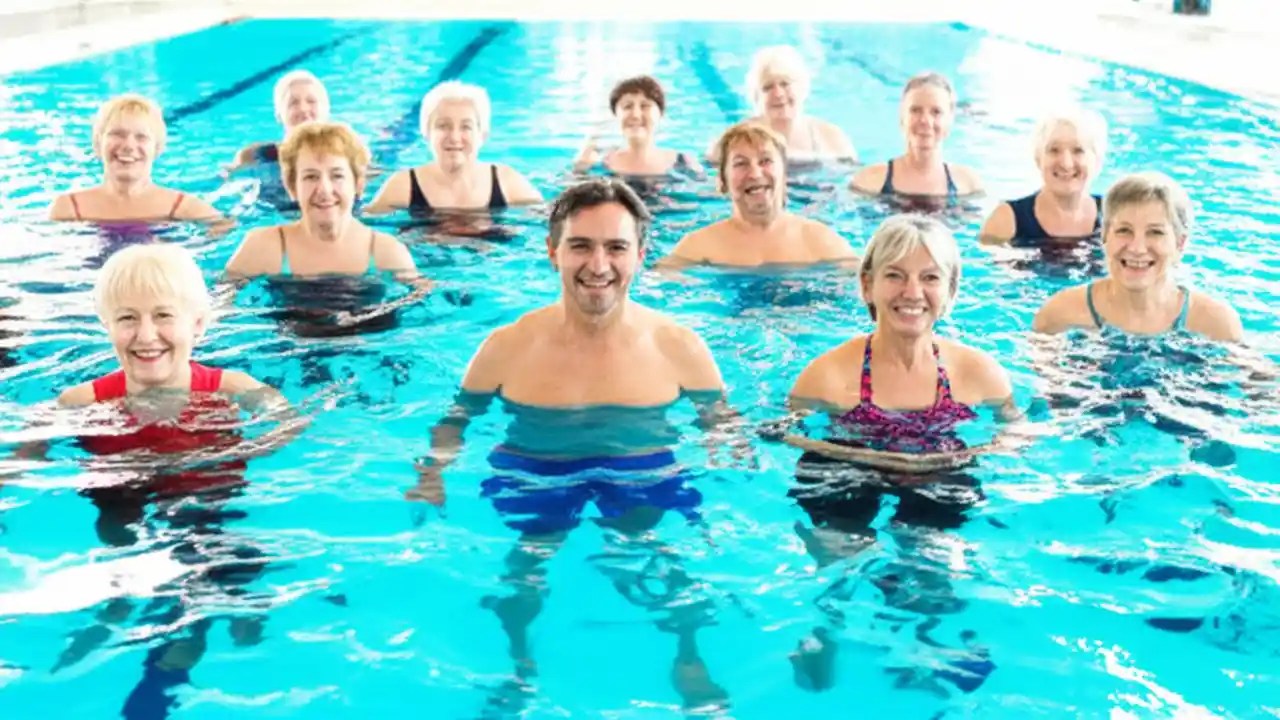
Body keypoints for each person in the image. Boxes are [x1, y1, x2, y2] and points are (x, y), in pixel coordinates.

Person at [407, 177, 742, 713]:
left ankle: (689, 653)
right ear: (552, 251)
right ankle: (519, 667)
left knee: (657, 557)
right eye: (581, 245)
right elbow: (457, 419)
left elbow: (720, 420)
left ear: (640, 254)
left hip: (641, 467)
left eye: (616, 247)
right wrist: (432, 473)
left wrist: (728, 448)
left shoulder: (680, 347)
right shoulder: (506, 347)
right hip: (536, 464)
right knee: (527, 563)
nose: (599, 265)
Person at [777, 214, 1014, 694]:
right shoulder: (825, 379)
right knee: (840, 554)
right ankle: (827, 628)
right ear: (867, 285)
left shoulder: (979, 375)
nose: (912, 291)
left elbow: (1017, 429)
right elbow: (784, 433)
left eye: (929, 277)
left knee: (937, 564)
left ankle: (924, 640)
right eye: (895, 275)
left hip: (937, 464)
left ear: (950, 290)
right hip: (847, 460)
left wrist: (1000, 446)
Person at [1032, 171, 1243, 342]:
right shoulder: (1060, 315)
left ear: (1180, 244)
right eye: (1124, 230)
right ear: (1105, 236)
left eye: (1155, 232)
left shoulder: (1215, 324)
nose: (1137, 248)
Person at [663, 122, 857, 267]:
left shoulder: (820, 241)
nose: (755, 173)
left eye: (765, 161)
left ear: (784, 174)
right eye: (741, 163)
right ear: (722, 181)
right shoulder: (698, 248)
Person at [364, 80, 541, 214]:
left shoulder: (506, 182)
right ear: (426, 133)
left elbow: (554, 219)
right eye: (443, 126)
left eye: (466, 127)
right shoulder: (402, 187)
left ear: (483, 135)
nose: (454, 137)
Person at [48, 94, 221, 223]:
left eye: (141, 137)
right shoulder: (69, 208)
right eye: (117, 134)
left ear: (157, 147)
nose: (129, 146)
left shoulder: (182, 207)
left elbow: (223, 227)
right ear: (98, 143)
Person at [980, 106, 1107, 246]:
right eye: (1054, 150)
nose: (1066, 163)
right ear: (1038, 158)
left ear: (1097, 160)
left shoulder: (1114, 216)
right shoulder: (1006, 221)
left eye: (1078, 150)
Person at [708, 46, 856, 165]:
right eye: (767, 87)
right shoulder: (734, 140)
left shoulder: (831, 138)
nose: (778, 94)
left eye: (785, 84)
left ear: (802, 88)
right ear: (756, 97)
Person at [849, 73, 982, 203]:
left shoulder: (967, 185)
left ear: (949, 120)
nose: (925, 120)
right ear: (902, 117)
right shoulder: (869, 181)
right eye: (915, 110)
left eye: (936, 112)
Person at [573, 75, 703, 177]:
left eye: (645, 106)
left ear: (660, 114)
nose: (635, 115)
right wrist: (580, 170)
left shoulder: (684, 164)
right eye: (627, 106)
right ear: (615, 115)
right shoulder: (599, 167)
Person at [228, 69, 331, 170]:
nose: (303, 109)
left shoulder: (343, 156)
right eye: (293, 103)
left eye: (311, 101)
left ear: (326, 111)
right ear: (278, 115)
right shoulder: (253, 157)